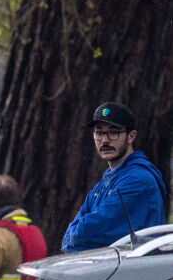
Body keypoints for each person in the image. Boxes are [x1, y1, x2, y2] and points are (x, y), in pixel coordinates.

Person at [63, 102, 167, 252]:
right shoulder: (104, 183)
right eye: (99, 133)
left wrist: (75, 235)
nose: (105, 140)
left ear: (131, 136)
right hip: (113, 271)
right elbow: (68, 239)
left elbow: (88, 233)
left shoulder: (138, 180)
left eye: (113, 132)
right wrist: (75, 235)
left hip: (135, 272)